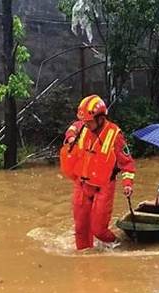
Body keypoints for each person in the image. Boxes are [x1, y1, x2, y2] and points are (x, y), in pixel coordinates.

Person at [59, 94, 136, 250]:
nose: (86, 125)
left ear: (100, 118)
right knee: (80, 229)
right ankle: (85, 262)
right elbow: (72, 129)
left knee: (98, 230)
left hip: (104, 187)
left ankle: (118, 245)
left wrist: (127, 184)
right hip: (82, 184)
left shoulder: (115, 135)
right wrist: (70, 138)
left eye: (89, 122)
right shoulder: (82, 126)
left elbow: (127, 163)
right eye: (84, 122)